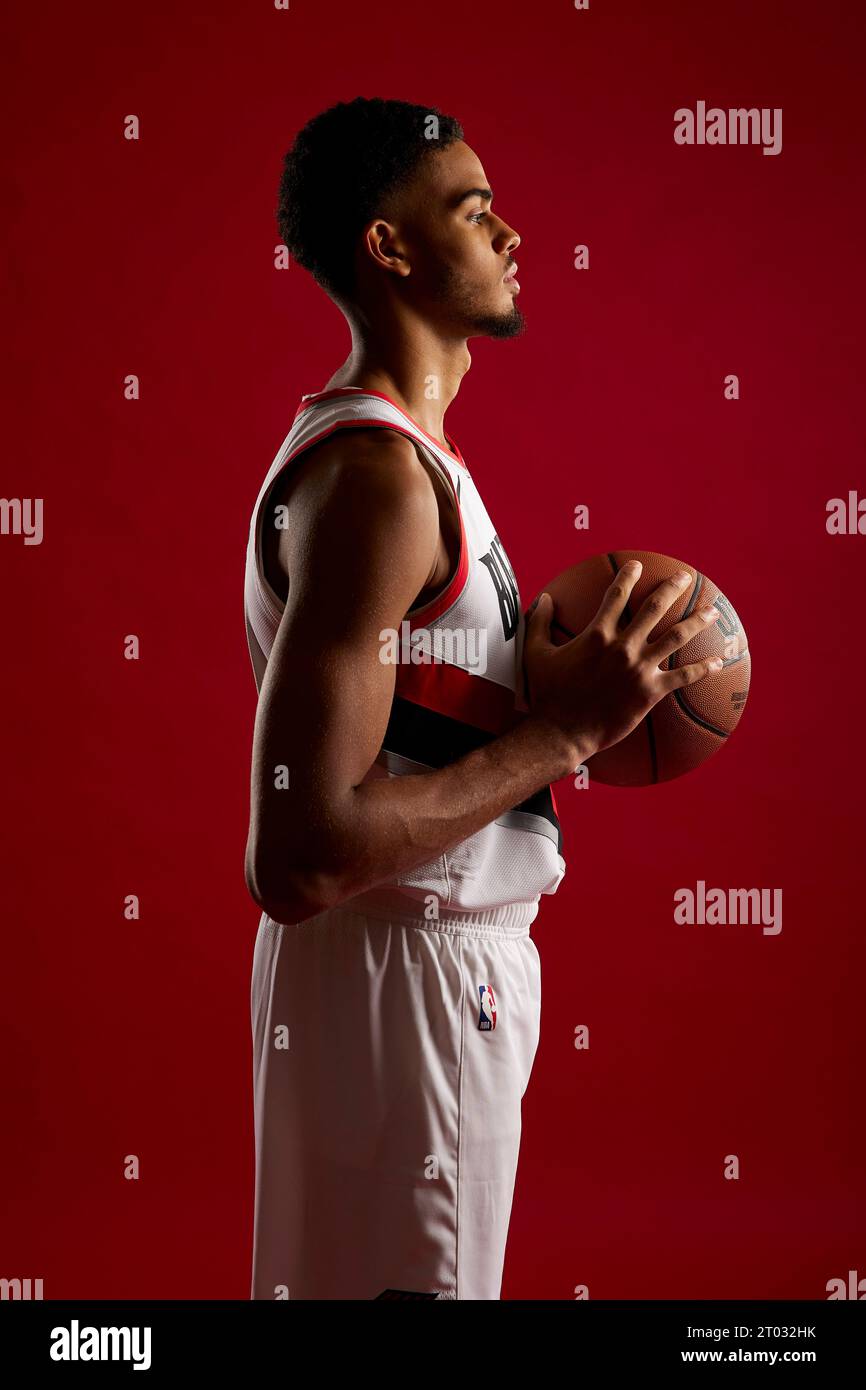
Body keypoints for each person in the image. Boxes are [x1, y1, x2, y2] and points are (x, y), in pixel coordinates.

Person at [243, 97, 721, 1300]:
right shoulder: (379, 480)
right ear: (388, 250)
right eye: (471, 210)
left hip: (391, 971)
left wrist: (544, 700)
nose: (510, 233)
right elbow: (299, 856)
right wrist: (564, 733)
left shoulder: (403, 460)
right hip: (408, 972)